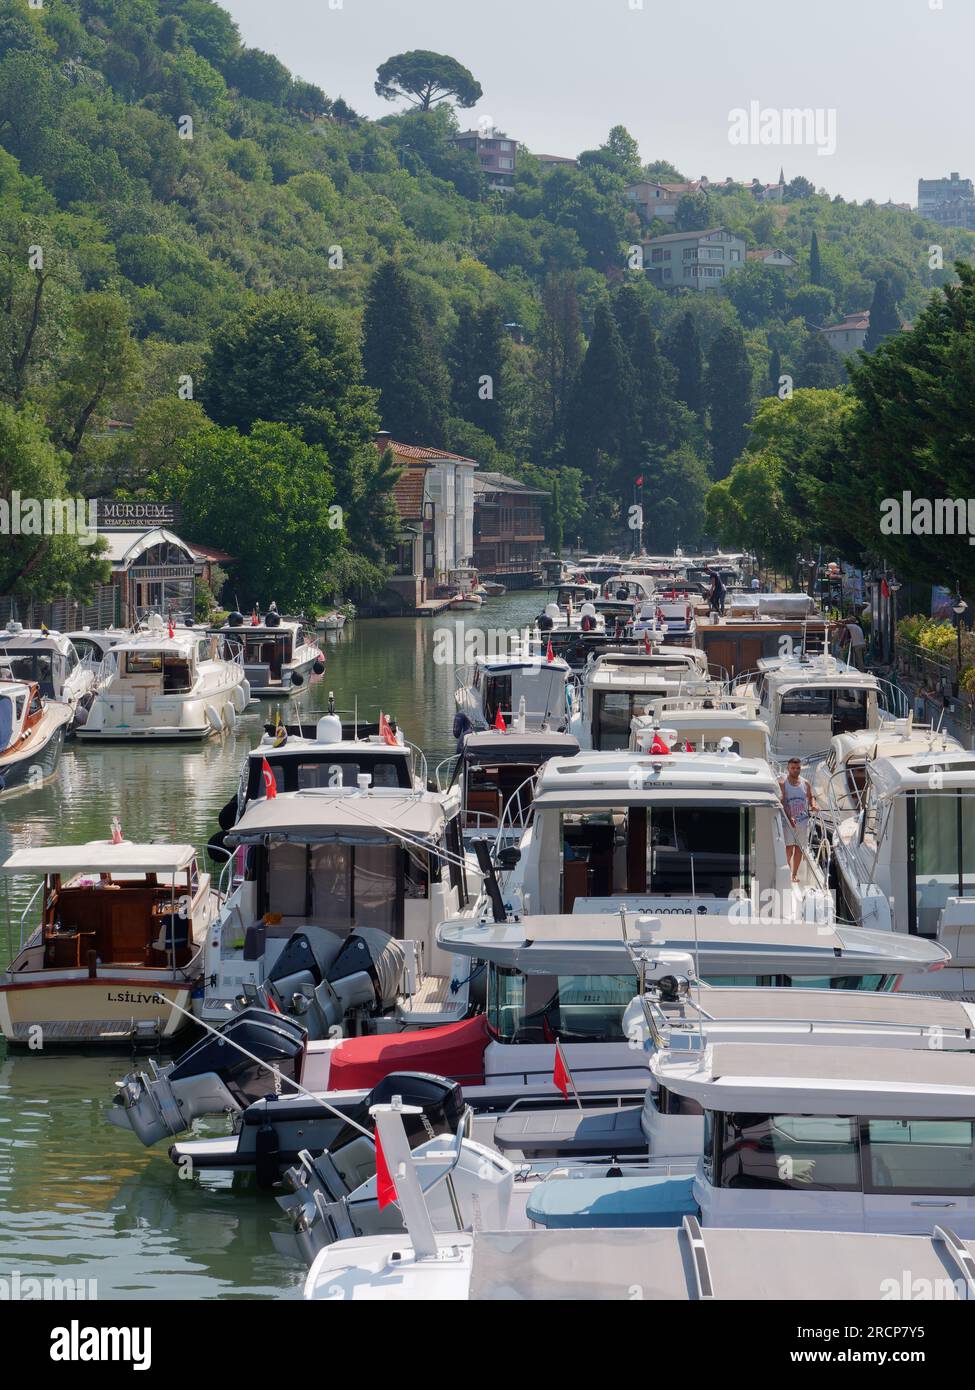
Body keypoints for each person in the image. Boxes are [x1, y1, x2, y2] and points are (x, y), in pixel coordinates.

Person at [780, 758, 816, 882]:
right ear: (788, 768)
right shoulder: (783, 783)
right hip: (788, 822)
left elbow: (811, 797)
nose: (796, 770)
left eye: (798, 768)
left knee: (799, 849)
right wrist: (790, 818)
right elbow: (783, 802)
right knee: (788, 848)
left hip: (803, 821)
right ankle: (787, 873)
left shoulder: (806, 783)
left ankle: (794, 874)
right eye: (793, 768)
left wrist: (813, 805)